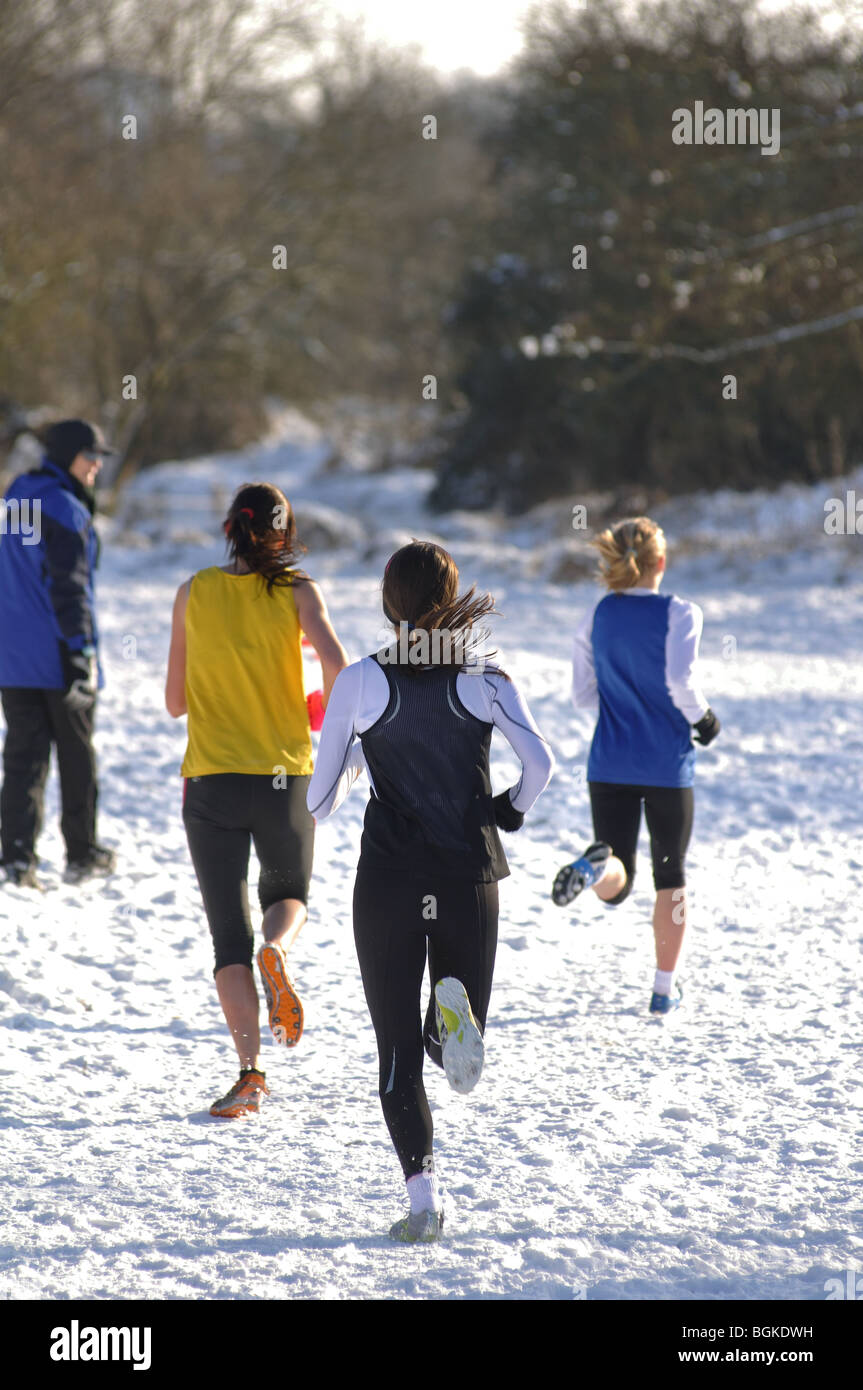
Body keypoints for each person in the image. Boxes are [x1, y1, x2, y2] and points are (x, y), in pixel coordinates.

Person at [306, 541, 554, 1243]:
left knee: (394, 1056)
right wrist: (507, 810)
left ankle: (422, 1205)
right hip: (468, 875)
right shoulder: (486, 678)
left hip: (388, 881)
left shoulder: (358, 682)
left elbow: (318, 805)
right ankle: (448, 1021)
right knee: (452, 1047)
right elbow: (540, 765)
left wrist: (358, 756)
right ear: (450, 598)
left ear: (389, 603)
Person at [165, 482, 348, 1119]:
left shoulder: (192, 591)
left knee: (225, 937)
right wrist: (317, 714)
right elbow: (338, 662)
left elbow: (175, 701)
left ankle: (248, 1074)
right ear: (284, 530)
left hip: (210, 781)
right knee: (288, 893)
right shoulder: (299, 591)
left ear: (230, 527)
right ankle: (279, 951)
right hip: (283, 778)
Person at [551, 516, 720, 1015]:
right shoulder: (682, 614)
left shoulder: (598, 615)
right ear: (661, 562)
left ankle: (598, 866)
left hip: (609, 763)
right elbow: (680, 682)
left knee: (618, 878)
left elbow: (583, 696)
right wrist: (705, 720)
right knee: (670, 876)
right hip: (666, 765)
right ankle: (664, 989)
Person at [0, 419, 117, 888]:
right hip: (56, 654)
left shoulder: (16, 496)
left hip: (12, 656)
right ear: (69, 454)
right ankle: (82, 853)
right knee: (75, 753)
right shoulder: (66, 509)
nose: (96, 467)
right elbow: (69, 591)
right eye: (91, 456)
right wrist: (81, 652)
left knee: (23, 756)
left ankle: (15, 857)